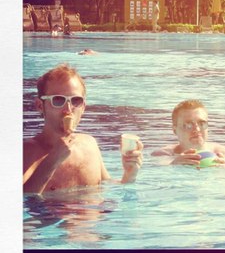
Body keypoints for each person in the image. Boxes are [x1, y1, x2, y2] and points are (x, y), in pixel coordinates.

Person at [23, 64, 143, 194]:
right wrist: (52, 161)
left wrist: (129, 175)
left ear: (83, 107)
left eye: (76, 101)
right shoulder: (27, 152)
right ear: (40, 106)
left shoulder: (89, 144)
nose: (68, 109)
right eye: (58, 100)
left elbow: (107, 186)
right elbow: (22, 199)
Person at [151, 99, 225, 166]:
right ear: (175, 130)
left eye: (202, 123)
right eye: (188, 125)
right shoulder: (164, 154)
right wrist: (174, 165)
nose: (197, 129)